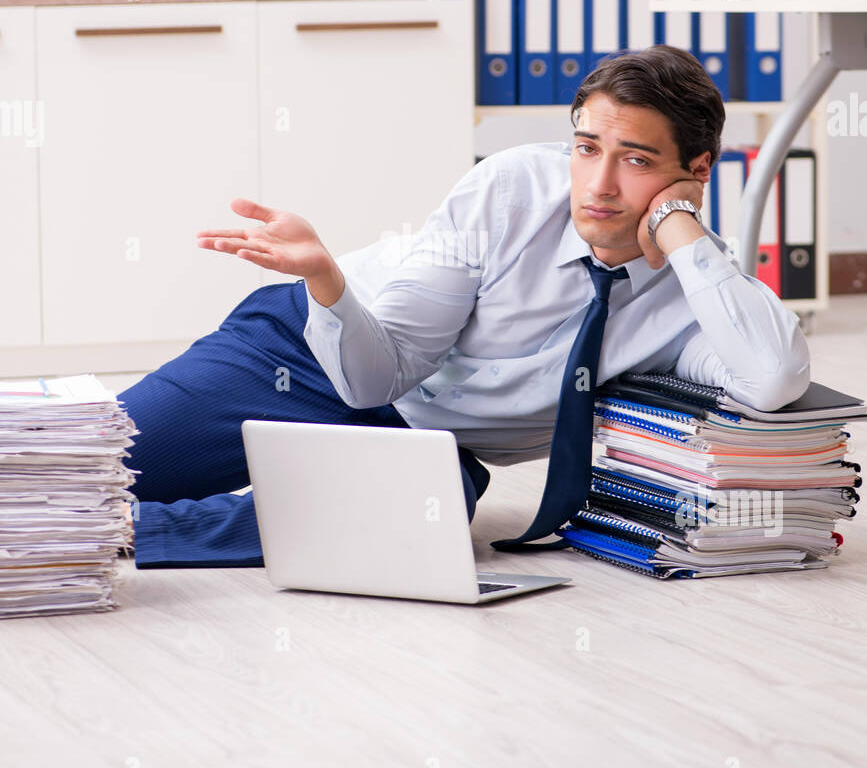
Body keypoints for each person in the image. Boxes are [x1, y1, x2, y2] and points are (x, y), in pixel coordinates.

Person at [120, 45, 810, 568]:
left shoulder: (697, 290)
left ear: (697, 168)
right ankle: (83, 505)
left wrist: (682, 230)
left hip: (425, 445)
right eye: (586, 148)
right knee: (96, 465)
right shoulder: (510, 189)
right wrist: (327, 278)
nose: (597, 185)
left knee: (431, 511)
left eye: (634, 160)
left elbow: (771, 375)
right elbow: (372, 380)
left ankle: (108, 530)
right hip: (308, 348)